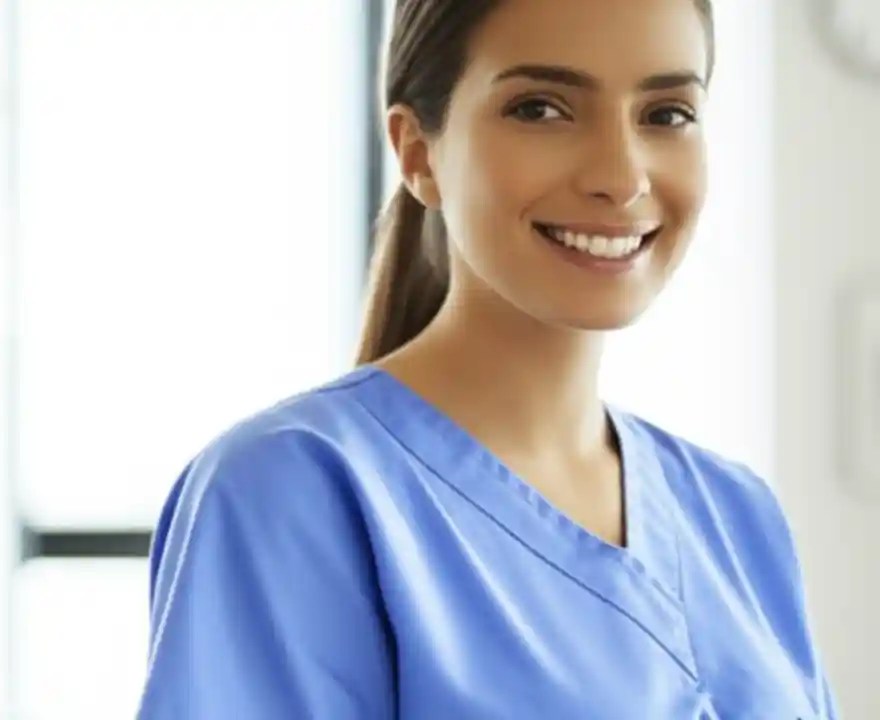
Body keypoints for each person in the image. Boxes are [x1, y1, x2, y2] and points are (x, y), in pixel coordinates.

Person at [136, 0, 837, 717]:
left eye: (666, 115)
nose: (621, 176)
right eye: (540, 109)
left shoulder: (737, 515)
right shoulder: (295, 488)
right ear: (417, 152)